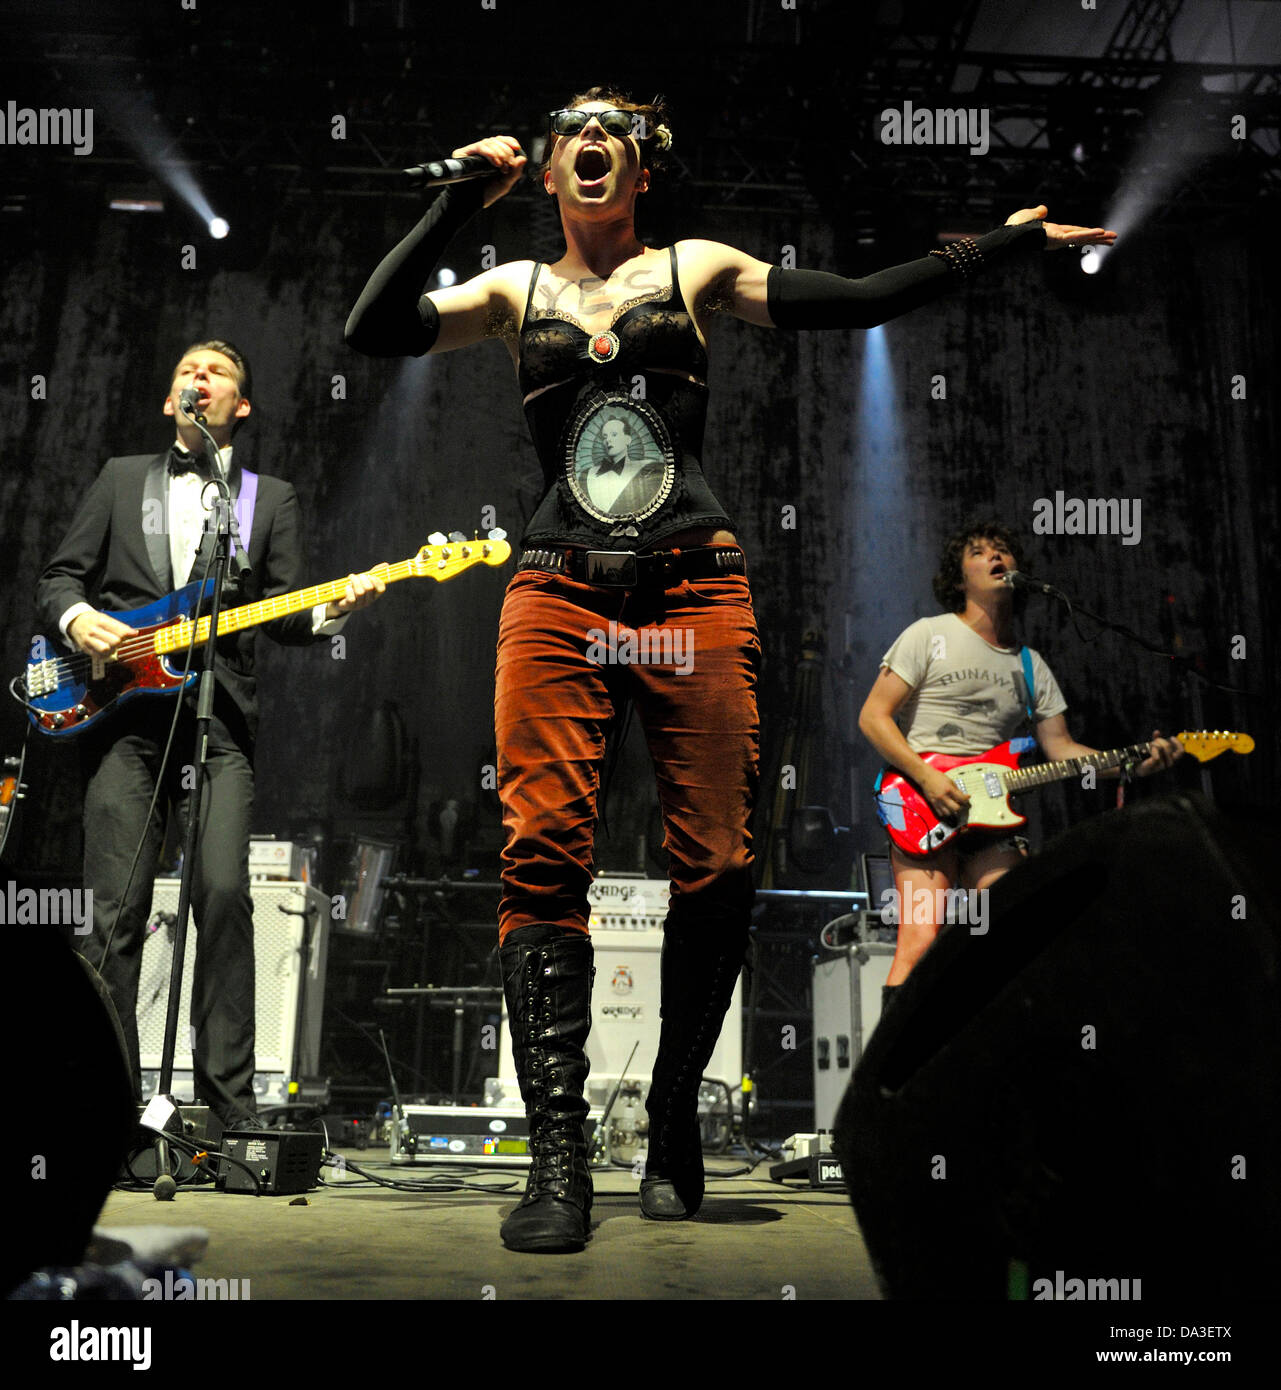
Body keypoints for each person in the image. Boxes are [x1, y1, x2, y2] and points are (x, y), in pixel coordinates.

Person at [344, 86, 1119, 1253]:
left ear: (640, 167)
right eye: (571, 131)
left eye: (613, 129)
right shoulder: (515, 290)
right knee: (541, 850)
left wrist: (1001, 243)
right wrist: (459, 204)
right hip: (556, 586)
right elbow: (374, 328)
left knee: (714, 859)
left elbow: (858, 301)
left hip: (694, 585)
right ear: (550, 169)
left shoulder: (692, 266)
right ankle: (559, 1162)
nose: (590, 139)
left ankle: (670, 1116)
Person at [34, 340, 384, 1131]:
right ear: (170, 402)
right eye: (186, 370)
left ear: (241, 405)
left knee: (225, 898)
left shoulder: (269, 498)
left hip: (217, 723)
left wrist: (342, 604)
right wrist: (80, 618)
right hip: (123, 723)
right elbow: (58, 577)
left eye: (217, 373)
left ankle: (232, 1111)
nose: (199, 378)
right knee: (111, 911)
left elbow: (290, 610)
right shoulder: (124, 480)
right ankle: (105, 1106)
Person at [858, 521, 1183, 1004]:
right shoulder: (929, 635)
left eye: (1004, 551)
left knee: (1014, 938)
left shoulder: (1030, 665)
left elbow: (1063, 751)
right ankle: (888, 1079)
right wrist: (928, 779)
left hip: (992, 816)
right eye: (979, 552)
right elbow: (873, 717)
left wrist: (1135, 764)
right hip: (923, 805)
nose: (995, 558)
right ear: (959, 577)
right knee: (919, 941)